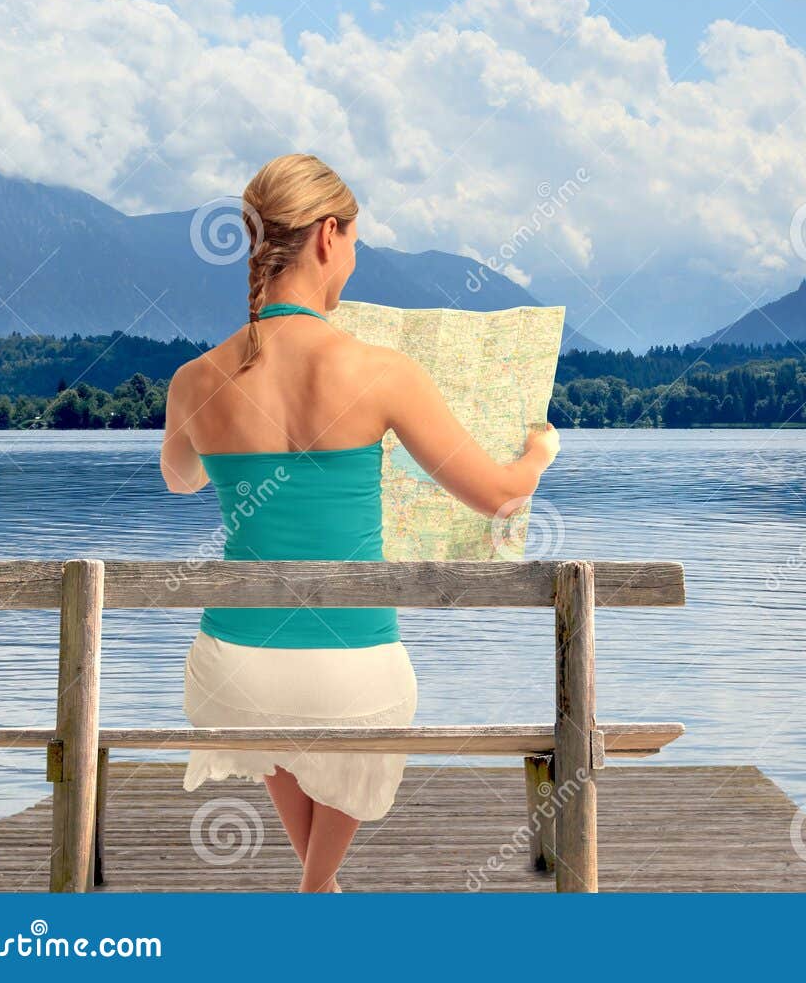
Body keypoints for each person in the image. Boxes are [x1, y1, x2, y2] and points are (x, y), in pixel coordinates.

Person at [157, 153, 559, 892]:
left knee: (274, 696)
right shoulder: (381, 372)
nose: (353, 260)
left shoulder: (194, 379)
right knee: (348, 688)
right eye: (354, 243)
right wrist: (537, 453)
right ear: (326, 236)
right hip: (355, 677)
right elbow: (500, 496)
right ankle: (316, 891)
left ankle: (320, 889)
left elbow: (179, 480)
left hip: (233, 674)